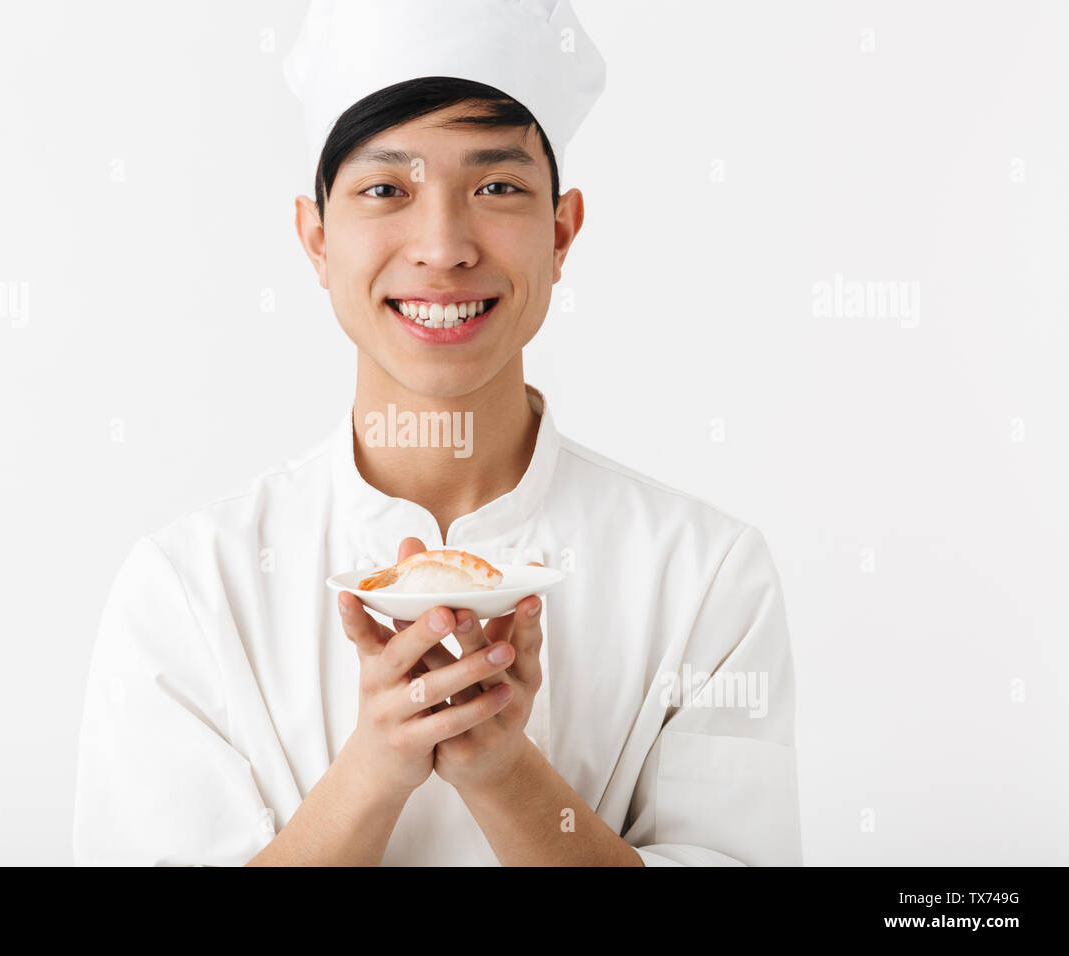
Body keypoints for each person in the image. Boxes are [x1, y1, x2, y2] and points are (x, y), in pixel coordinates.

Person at [73, 0, 802, 866]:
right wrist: (373, 770)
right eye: (387, 188)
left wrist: (504, 774)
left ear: (562, 233)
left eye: (496, 186)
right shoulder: (192, 588)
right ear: (316, 240)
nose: (444, 245)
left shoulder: (703, 576)